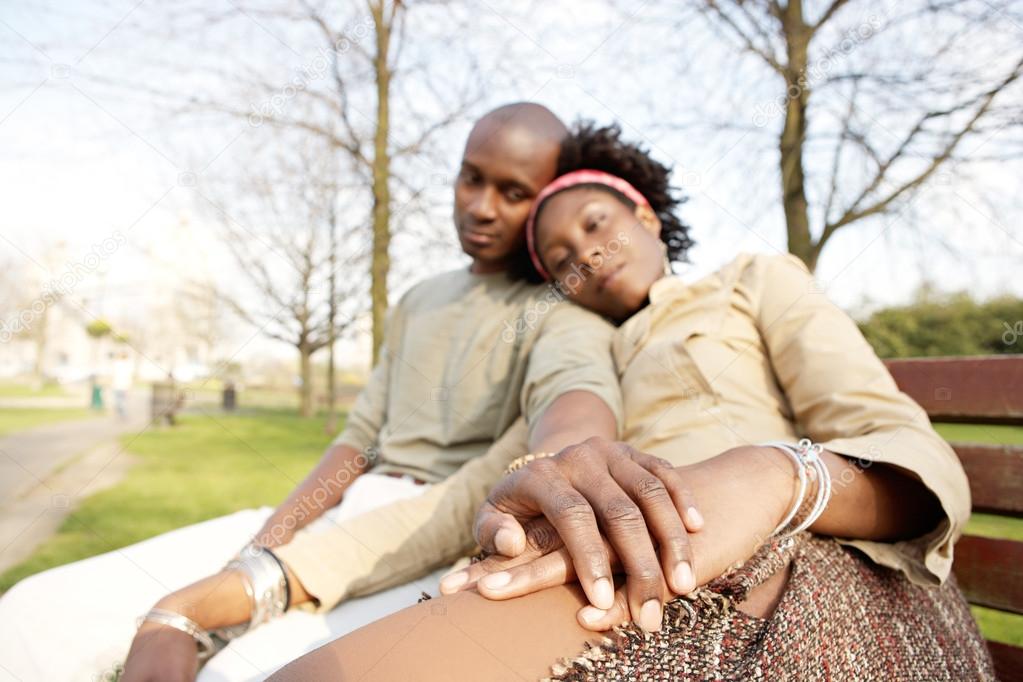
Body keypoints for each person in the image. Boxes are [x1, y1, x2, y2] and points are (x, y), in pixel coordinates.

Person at [270, 122, 993, 680]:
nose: (581, 255)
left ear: (645, 216)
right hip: (618, 564)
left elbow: (902, 445)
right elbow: (456, 500)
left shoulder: (747, 284)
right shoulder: (572, 357)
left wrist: (773, 476)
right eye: (557, 261)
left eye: (593, 224)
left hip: (795, 559)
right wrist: (271, 576)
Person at [0, 104, 629, 682]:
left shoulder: (562, 315)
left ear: (549, 198)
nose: (482, 206)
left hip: (421, 541)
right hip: (332, 511)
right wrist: (269, 538)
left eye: (513, 193)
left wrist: (573, 455)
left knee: (240, 671)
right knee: (32, 614)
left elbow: (574, 400)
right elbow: (360, 439)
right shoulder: (417, 300)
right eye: (471, 179)